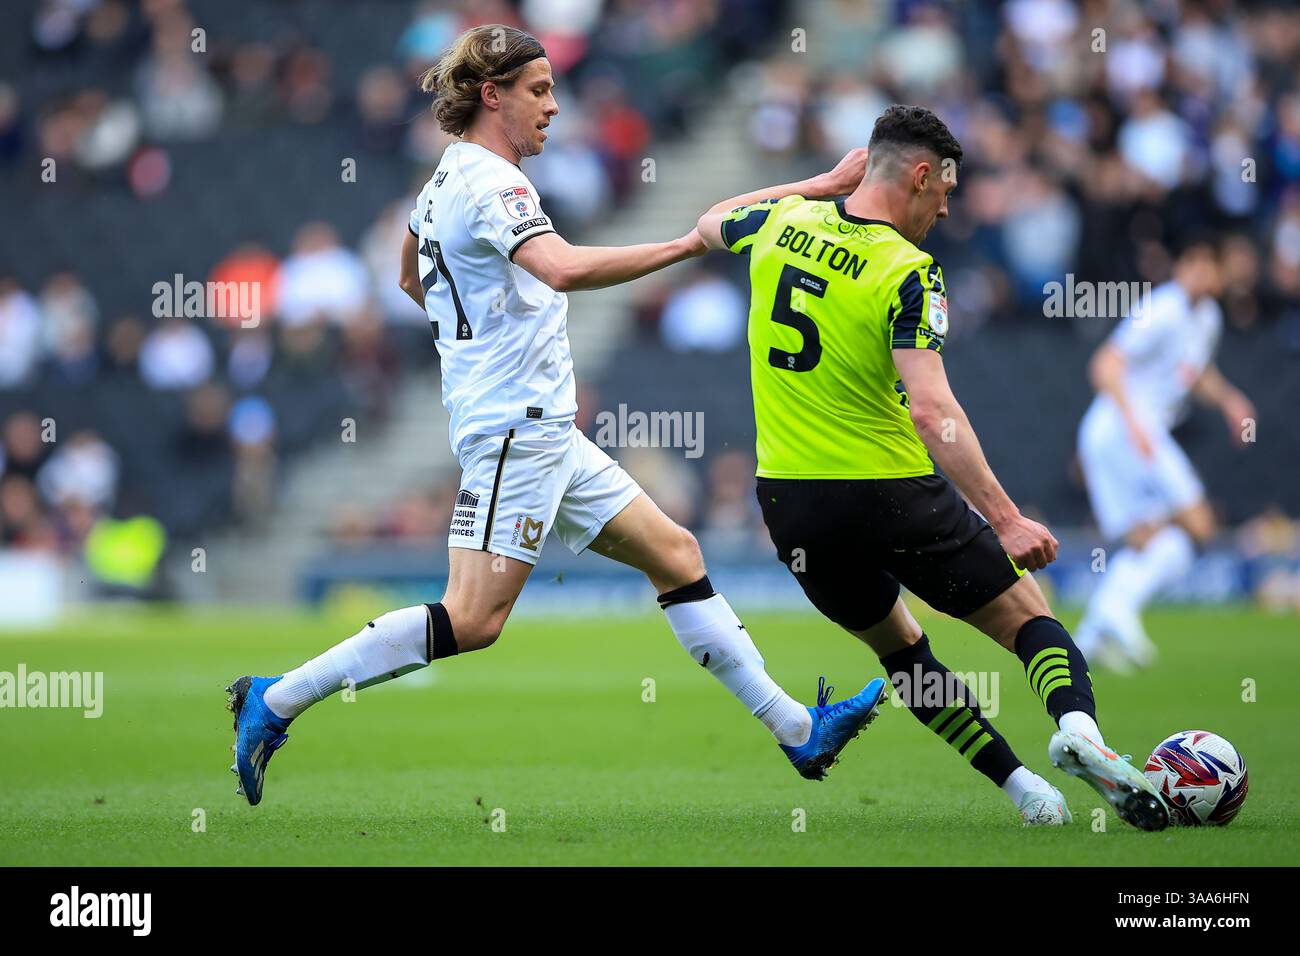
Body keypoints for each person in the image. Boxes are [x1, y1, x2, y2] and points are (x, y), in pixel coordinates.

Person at [226, 25, 887, 807]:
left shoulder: (444, 179)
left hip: (538, 428)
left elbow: (408, 270)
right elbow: (563, 268)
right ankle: (273, 701)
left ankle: (796, 732)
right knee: (473, 620)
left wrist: (462, 325)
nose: (553, 105)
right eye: (539, 90)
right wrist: (681, 248)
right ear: (492, 95)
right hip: (516, 428)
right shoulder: (495, 185)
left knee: (675, 554)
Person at [696, 104, 1169, 830]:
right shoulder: (910, 270)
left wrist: (821, 184)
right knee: (1029, 619)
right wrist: (1005, 518)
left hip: (790, 504)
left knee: (903, 650)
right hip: (888, 489)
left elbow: (711, 220)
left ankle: (1025, 794)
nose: (946, 209)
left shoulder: (782, 223)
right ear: (920, 176)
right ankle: (1081, 735)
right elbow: (931, 411)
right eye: (945, 192)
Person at [1076, 239, 1254, 670]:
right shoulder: (1162, 310)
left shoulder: (1206, 317)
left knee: (1147, 536)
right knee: (1198, 523)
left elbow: (1193, 372)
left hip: (1134, 433)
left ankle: (1098, 624)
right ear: (1181, 267)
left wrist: (1231, 402)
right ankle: (1116, 610)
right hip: (1124, 430)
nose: (1199, 273)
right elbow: (1104, 365)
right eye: (1192, 263)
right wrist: (1135, 423)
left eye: (1208, 266)